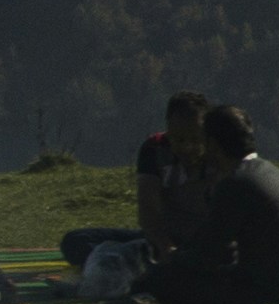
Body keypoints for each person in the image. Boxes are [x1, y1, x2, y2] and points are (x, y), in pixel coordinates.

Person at [154, 105, 279, 304]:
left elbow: (207, 253)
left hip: (276, 296)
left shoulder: (236, 183)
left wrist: (172, 260)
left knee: (162, 281)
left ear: (214, 145)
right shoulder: (267, 171)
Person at [62, 93, 215, 278]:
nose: (187, 147)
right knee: (76, 241)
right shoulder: (155, 149)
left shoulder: (220, 153)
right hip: (161, 238)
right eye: (179, 139)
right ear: (168, 129)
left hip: (207, 241)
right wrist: (165, 246)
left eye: (195, 140)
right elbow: (148, 210)